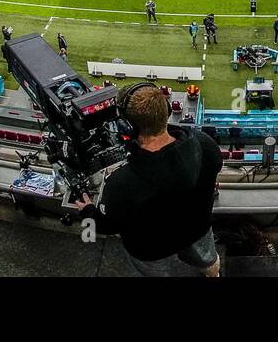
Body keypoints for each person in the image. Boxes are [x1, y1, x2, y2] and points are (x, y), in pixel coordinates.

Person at [74, 83, 221, 278]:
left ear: (127, 127)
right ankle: (213, 274)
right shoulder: (205, 144)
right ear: (167, 111)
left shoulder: (121, 184)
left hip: (151, 250)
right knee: (208, 261)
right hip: (198, 229)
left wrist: (88, 212)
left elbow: (106, 226)